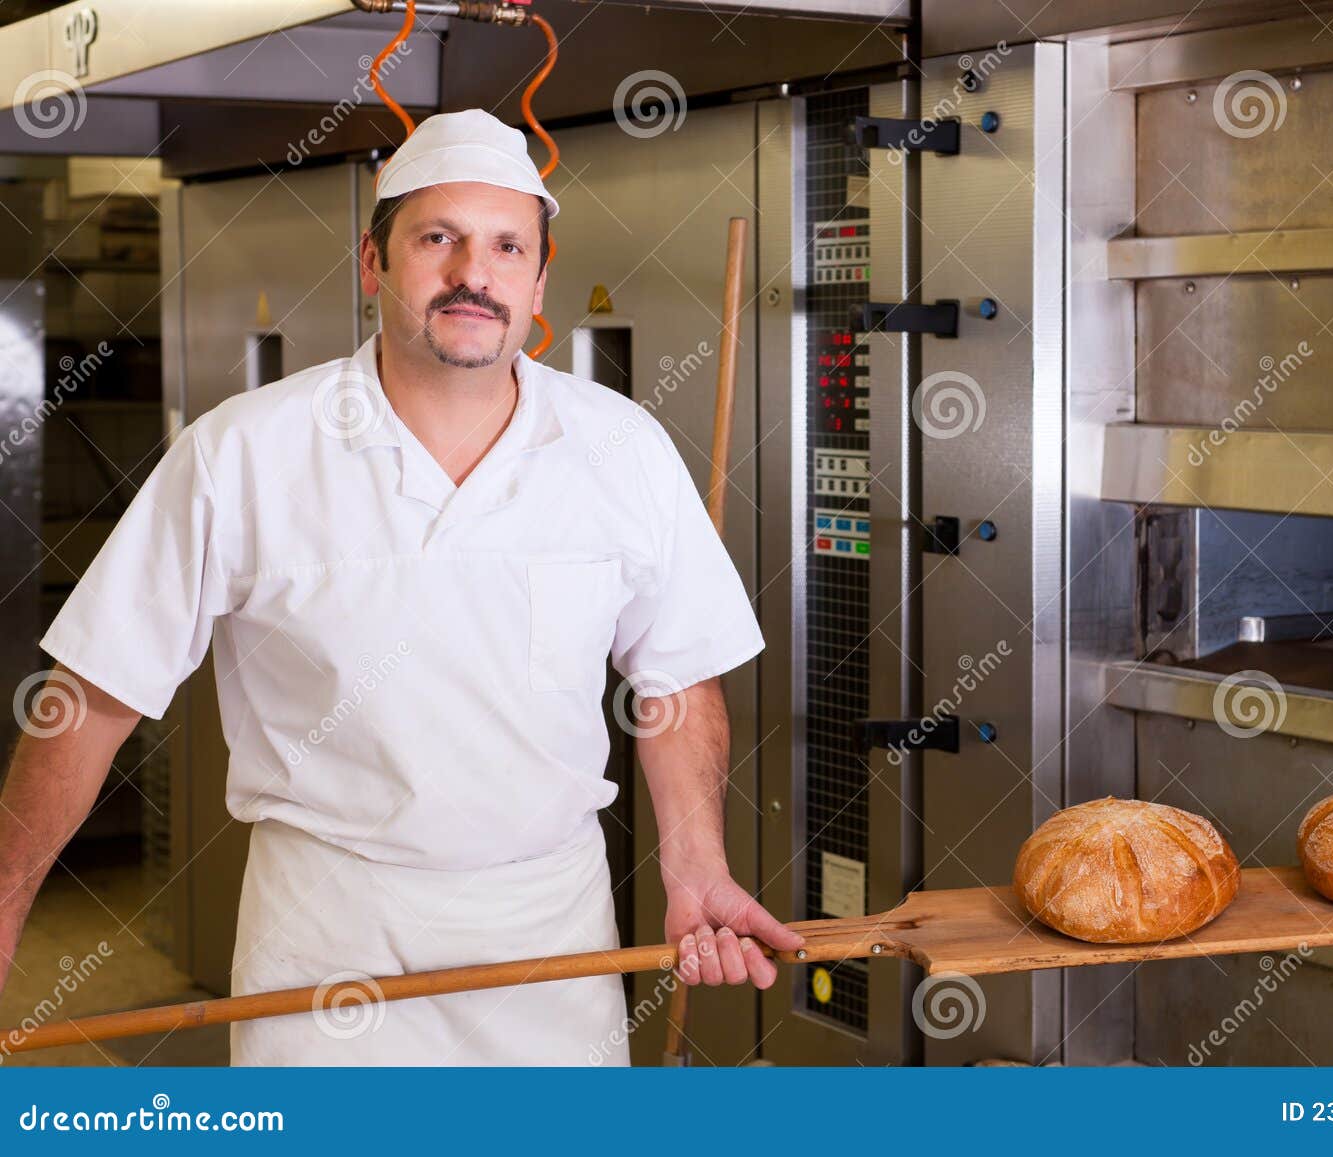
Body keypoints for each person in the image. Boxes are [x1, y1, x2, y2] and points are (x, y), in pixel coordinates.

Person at [0, 108, 802, 1065]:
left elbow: (675, 680)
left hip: (546, 931)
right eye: (439, 238)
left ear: (539, 277)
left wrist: (698, 865)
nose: (475, 271)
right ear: (373, 263)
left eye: (508, 245)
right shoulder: (242, 453)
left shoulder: (621, 448)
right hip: (325, 931)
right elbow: (93, 694)